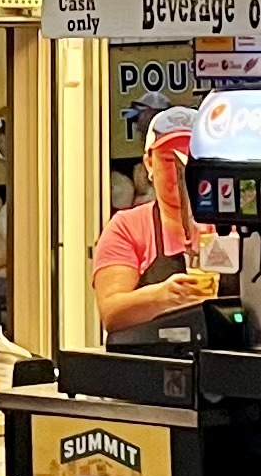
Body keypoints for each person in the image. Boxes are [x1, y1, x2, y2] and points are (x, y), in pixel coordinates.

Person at [91, 107, 212, 334]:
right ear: (149, 163)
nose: (180, 173)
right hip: (152, 362)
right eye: (168, 160)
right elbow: (111, 312)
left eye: (190, 160)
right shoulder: (126, 228)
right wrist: (161, 296)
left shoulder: (227, 226)